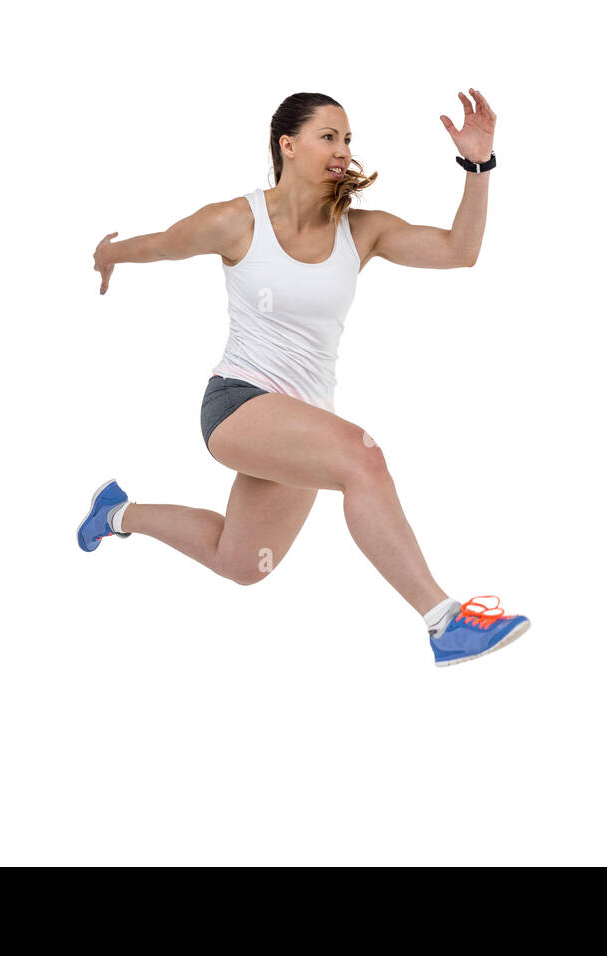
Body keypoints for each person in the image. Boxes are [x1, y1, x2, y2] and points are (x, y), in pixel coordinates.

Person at [77, 90, 528, 667]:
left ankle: (115, 513)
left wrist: (478, 166)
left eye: (348, 139)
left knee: (241, 563)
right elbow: (162, 245)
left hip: (302, 421)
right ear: (287, 145)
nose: (343, 150)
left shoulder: (361, 231)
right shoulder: (236, 221)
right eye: (328, 136)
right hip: (238, 402)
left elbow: (458, 251)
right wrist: (110, 254)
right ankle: (445, 622)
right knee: (361, 458)